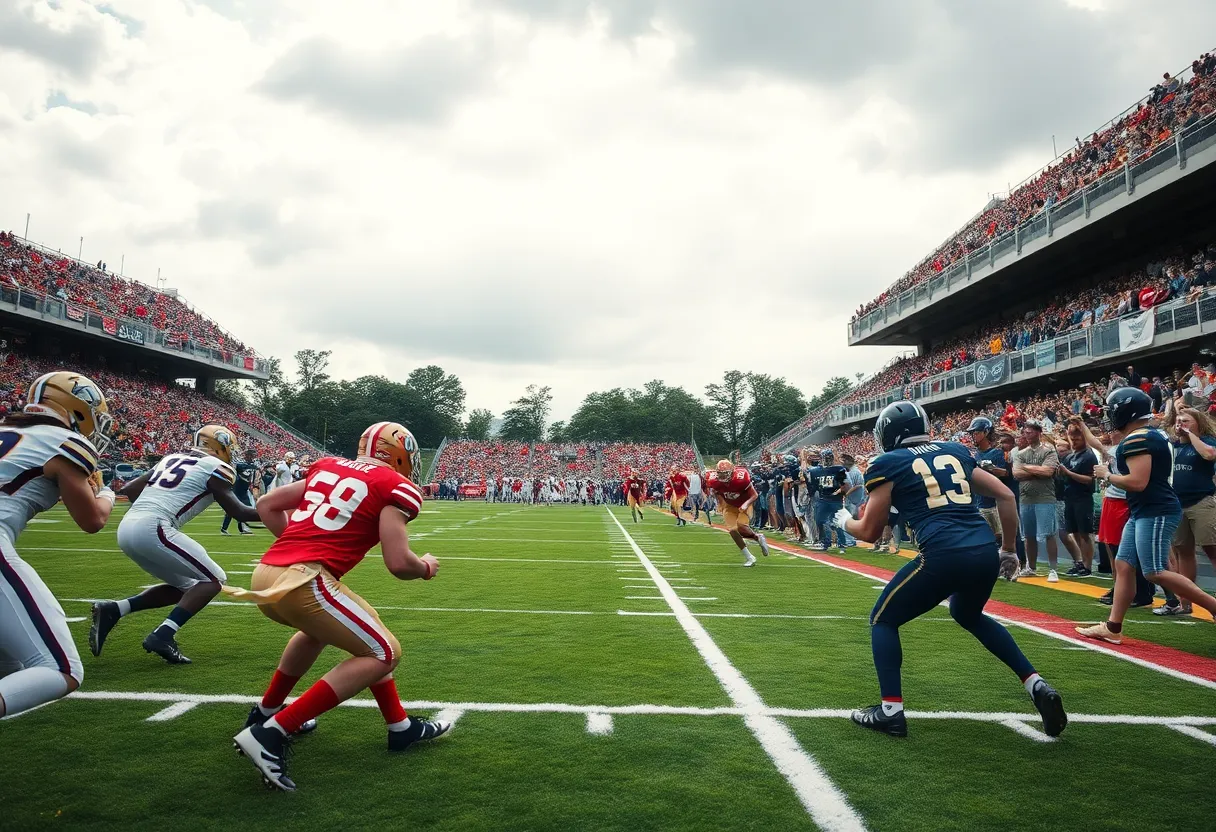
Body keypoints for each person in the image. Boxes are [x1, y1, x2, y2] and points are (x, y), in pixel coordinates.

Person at [230, 421, 448, 791]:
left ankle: (396, 727)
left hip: (268, 572)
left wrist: (298, 546)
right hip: (305, 580)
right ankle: (272, 732)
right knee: (383, 651)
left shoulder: (328, 465)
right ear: (400, 454)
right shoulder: (396, 485)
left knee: (341, 633)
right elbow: (398, 563)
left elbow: (266, 504)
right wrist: (425, 567)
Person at [838, 400, 1066, 738]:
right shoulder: (955, 450)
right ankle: (1036, 684)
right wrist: (1007, 549)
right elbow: (1005, 495)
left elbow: (870, 530)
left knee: (883, 619)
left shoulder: (888, 462)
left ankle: (891, 711)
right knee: (968, 614)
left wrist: (845, 522)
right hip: (983, 549)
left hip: (943, 553)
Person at [90, 425, 261, 665]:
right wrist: (283, 513)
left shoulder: (170, 459)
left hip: (128, 527)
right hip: (155, 526)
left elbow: (129, 490)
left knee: (187, 586)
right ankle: (163, 635)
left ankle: (115, 609)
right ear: (219, 446)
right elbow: (239, 512)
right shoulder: (215, 467)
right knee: (213, 581)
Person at [0, 372, 116, 718]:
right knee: (59, 668)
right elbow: (92, 520)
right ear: (78, 409)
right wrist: (107, 493)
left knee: (10, 663)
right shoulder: (65, 442)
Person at [1077, 389, 1216, 645]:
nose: (1109, 416)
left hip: (1155, 509)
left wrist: (1106, 475)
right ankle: (1113, 626)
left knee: (1154, 571)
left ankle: (1213, 606)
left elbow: (1138, 482)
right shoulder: (1152, 434)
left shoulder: (1137, 438)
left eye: (1112, 410)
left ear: (1125, 411)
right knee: (1124, 565)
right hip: (1146, 509)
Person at [1157, 399, 1216, 616]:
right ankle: (1186, 602)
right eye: (1179, 420)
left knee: (1212, 549)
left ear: (1198, 423)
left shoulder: (1206, 440)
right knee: (1183, 552)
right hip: (1178, 504)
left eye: (1186, 421)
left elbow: (1209, 454)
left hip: (1201, 502)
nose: (1180, 424)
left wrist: (1191, 435)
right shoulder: (1174, 446)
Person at [1012, 420, 1061, 581]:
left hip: (1045, 497)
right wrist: (1036, 470)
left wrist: (1026, 468)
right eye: (1025, 431)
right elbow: (1016, 474)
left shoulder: (1049, 450)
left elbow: (1048, 472)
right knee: (1029, 534)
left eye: (1030, 431)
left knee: (1049, 533)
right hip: (1026, 498)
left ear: (1038, 432)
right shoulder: (1021, 453)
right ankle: (1031, 567)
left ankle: (1053, 569)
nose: (1027, 434)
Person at [704, 459, 769, 567]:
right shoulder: (714, 481)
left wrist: (746, 504)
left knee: (741, 527)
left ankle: (758, 537)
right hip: (729, 506)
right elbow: (717, 492)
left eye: (725, 474)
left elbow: (754, 495)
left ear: (732, 471)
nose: (723, 477)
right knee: (733, 530)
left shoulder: (741, 478)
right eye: (720, 474)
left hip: (744, 505)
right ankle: (749, 557)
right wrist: (720, 504)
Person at [1058, 425, 1097, 576]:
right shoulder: (1070, 456)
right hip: (1070, 497)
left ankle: (1088, 565)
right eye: (1072, 438)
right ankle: (1081, 562)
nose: (1074, 441)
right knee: (1074, 531)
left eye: (1077, 438)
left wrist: (1068, 473)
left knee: (1085, 532)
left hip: (1083, 497)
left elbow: (1089, 479)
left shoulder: (1089, 455)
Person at [968, 417, 1006, 540]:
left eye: (976, 432)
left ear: (986, 433)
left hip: (995, 503)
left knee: (1002, 537)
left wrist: (989, 468)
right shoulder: (973, 454)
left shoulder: (997, 453)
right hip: (979, 502)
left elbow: (1005, 474)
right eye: (972, 433)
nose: (974, 436)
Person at [808, 449, 848, 554]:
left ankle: (842, 543)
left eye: (829, 457)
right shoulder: (815, 471)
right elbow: (814, 486)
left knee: (837, 522)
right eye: (825, 457)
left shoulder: (839, 469)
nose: (827, 459)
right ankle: (825, 542)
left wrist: (839, 492)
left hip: (836, 500)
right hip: (823, 499)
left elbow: (844, 485)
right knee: (819, 520)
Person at [222, 448, 260, 535]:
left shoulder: (253, 465)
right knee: (231, 510)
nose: (253, 457)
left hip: (244, 491)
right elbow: (231, 473)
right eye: (252, 455)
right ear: (247, 455)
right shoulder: (239, 465)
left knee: (246, 509)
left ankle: (243, 529)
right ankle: (225, 529)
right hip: (236, 490)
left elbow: (253, 476)